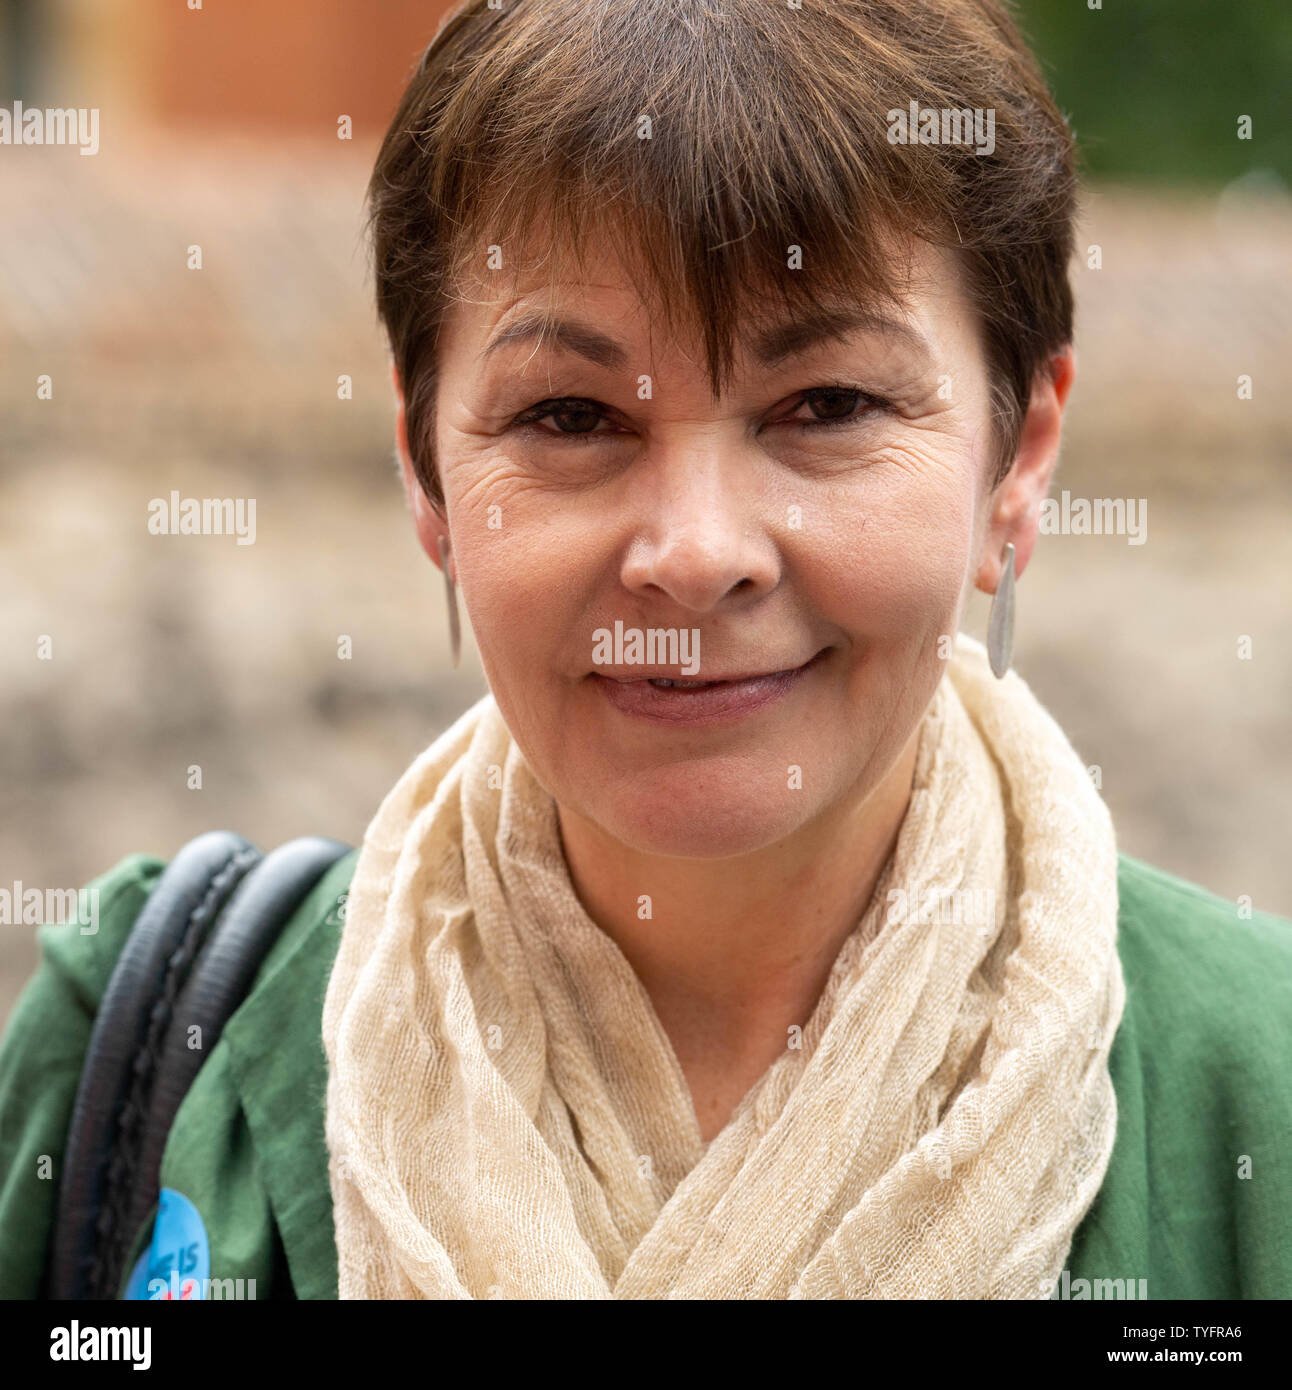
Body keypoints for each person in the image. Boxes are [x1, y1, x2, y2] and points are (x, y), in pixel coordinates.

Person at [2, 0, 1289, 1301]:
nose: (694, 548)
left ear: (1018, 459)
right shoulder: (149, 1053)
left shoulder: (1259, 1096)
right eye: (572, 415)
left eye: (827, 405)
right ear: (426, 473)